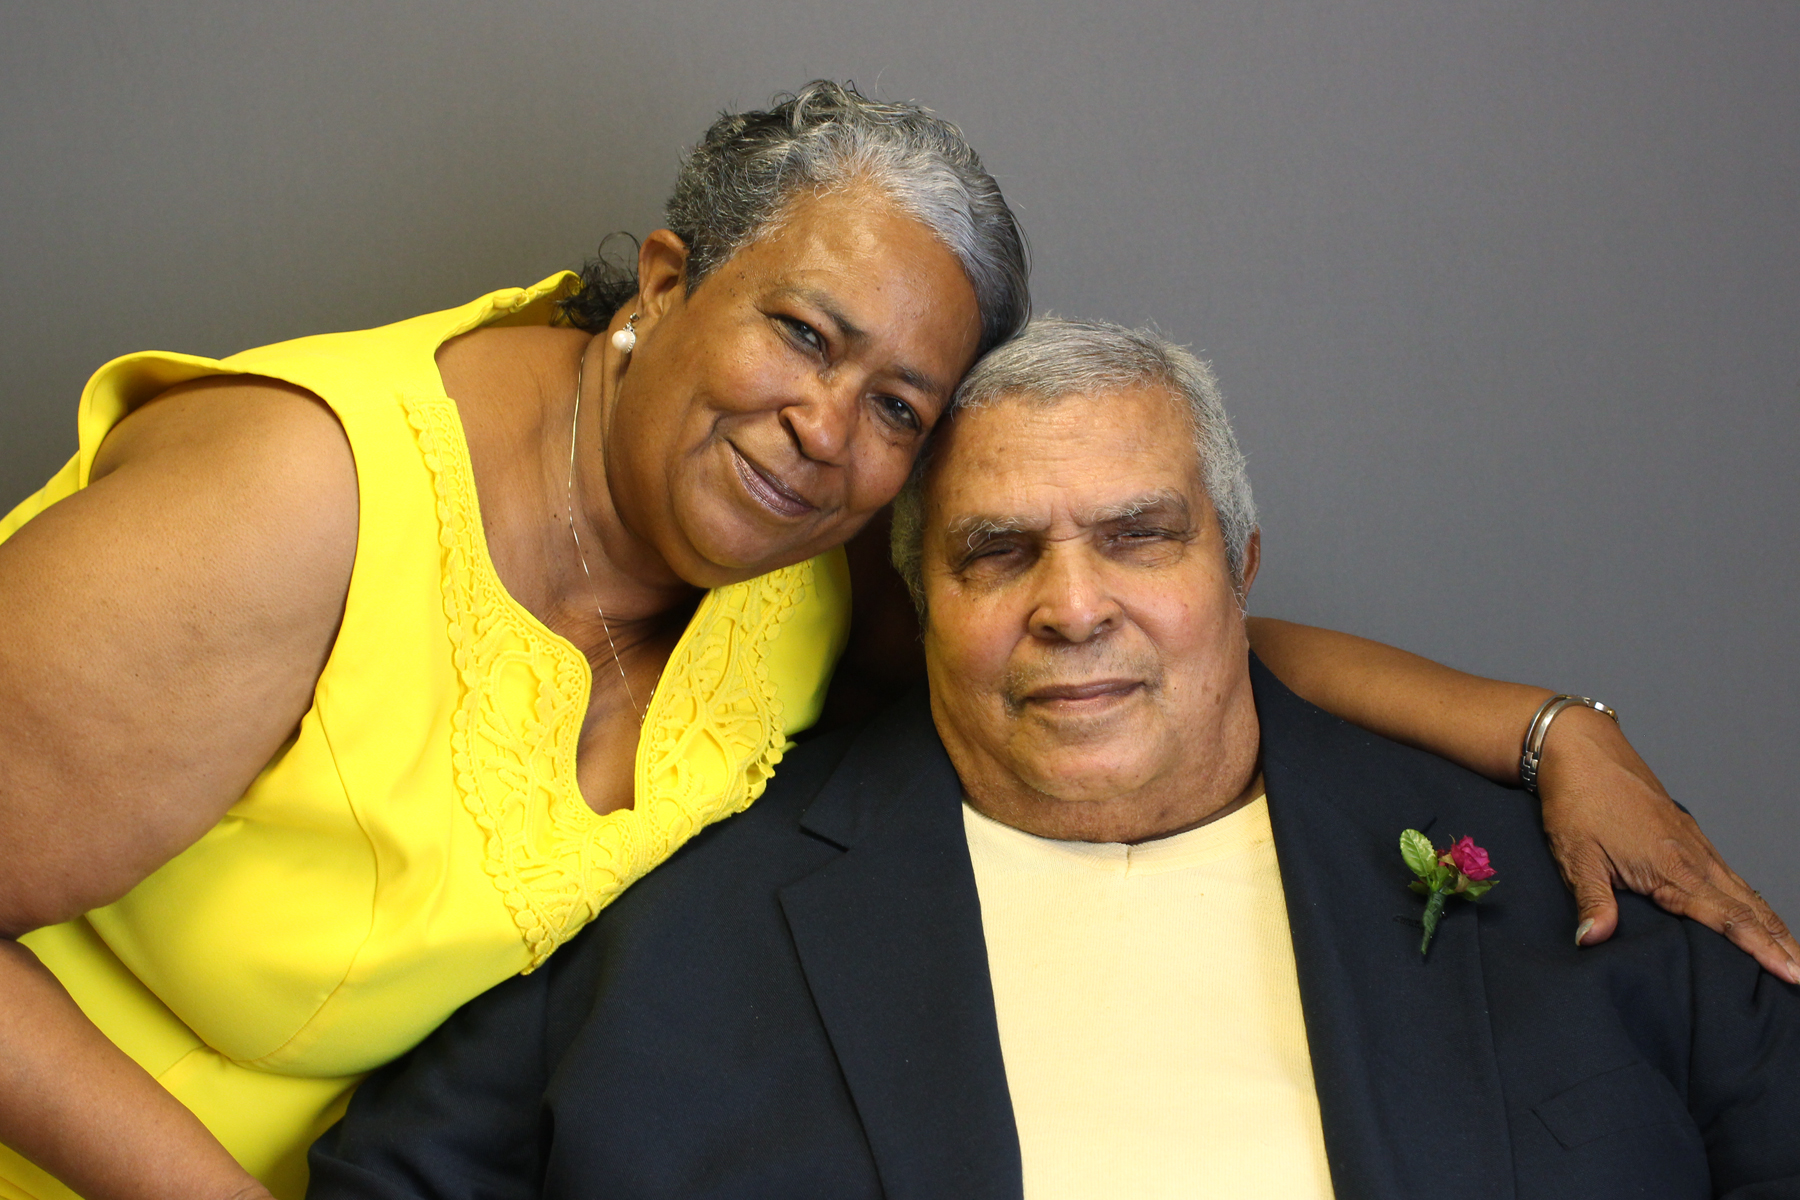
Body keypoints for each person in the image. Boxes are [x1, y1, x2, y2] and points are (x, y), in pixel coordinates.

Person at [0, 83, 1788, 1200]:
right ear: (666, 279)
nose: (824, 428)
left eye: (896, 403)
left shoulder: (795, 554)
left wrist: (1556, 729)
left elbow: (1121, 653)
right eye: (801, 330)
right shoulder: (285, 500)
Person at [307, 319, 1800, 1200]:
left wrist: (1558, 730)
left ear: (1241, 565)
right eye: (997, 552)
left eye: (1140, 536)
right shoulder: (678, 918)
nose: (1072, 606)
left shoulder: (1572, 881)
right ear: (920, 604)